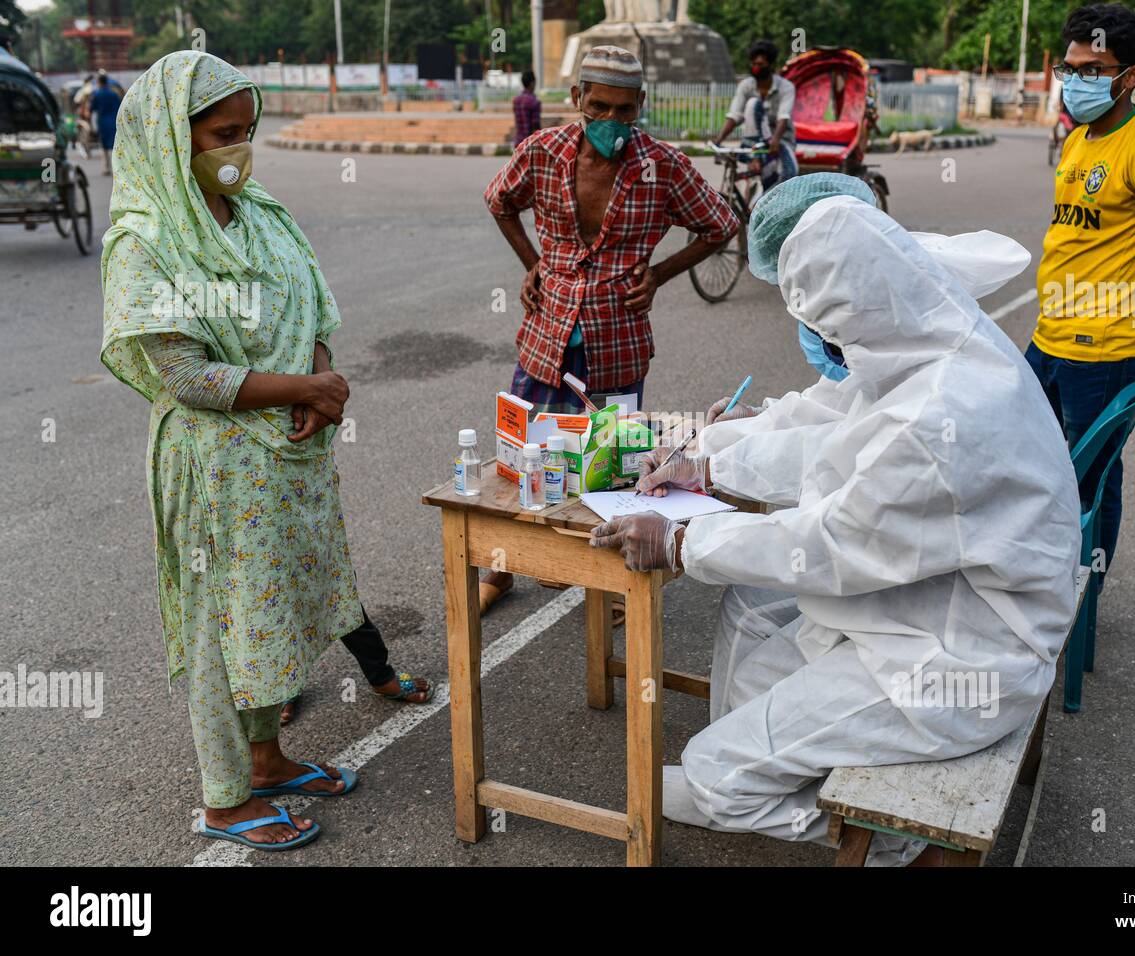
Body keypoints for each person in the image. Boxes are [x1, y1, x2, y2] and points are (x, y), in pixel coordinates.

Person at [589, 174, 1082, 865]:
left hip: (959, 662)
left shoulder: (941, 413)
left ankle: (894, 841)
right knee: (755, 653)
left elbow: (828, 545)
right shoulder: (928, 352)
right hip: (931, 610)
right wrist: (707, 468)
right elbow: (833, 442)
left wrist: (678, 541)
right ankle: (765, 767)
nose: (828, 348)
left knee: (711, 778)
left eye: (826, 329)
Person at [100, 52, 425, 851]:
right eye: (222, 133)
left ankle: (267, 760)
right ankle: (223, 800)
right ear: (173, 137)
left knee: (266, 616)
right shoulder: (145, 241)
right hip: (213, 469)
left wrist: (319, 370)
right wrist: (304, 392)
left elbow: (309, 298)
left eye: (248, 131)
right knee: (220, 627)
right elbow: (183, 374)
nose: (239, 150)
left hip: (282, 462)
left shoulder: (259, 213)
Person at [480, 45, 739, 613]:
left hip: (617, 341)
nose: (613, 124)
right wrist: (533, 264)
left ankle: (613, 577)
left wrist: (660, 274)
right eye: (600, 108)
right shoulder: (543, 152)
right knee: (526, 455)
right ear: (577, 100)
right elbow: (499, 201)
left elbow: (721, 224)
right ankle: (501, 567)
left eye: (625, 111)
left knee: (612, 465)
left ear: (640, 106)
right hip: (546, 334)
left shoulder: (662, 166)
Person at [1030, 3, 1135, 588]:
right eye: (1070, 66)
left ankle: (1082, 593)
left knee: (1091, 474)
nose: (1077, 80)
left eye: (1093, 69)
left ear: (1129, 76)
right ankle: (1042, 577)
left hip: (1103, 349)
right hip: (1050, 336)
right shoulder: (1079, 139)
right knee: (1033, 461)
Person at [715, 39, 798, 190]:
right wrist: (718, 140)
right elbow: (735, 115)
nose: (756, 68)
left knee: (789, 175)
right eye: (753, 64)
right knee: (752, 104)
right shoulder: (746, 86)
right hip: (754, 144)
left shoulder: (786, 87)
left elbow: (783, 117)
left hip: (780, 141)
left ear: (771, 65)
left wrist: (775, 140)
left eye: (760, 65)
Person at [89, 73, 122, 175]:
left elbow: (92, 109)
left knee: (103, 146)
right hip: (113, 122)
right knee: (114, 144)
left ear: (99, 82)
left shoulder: (97, 94)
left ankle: (106, 168)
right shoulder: (114, 94)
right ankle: (115, 168)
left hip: (102, 122)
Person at [512, 69, 542, 148]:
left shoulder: (516, 100)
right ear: (532, 83)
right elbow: (535, 125)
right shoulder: (534, 101)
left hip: (518, 142)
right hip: (530, 144)